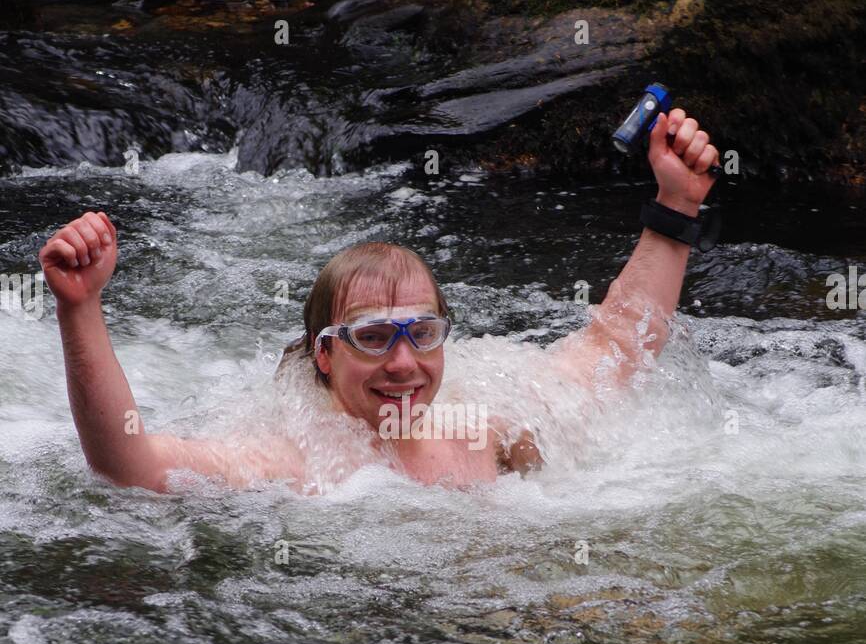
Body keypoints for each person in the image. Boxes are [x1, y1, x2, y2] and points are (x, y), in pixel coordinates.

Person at [38, 108, 719, 493]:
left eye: (421, 334)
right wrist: (81, 309)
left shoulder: (489, 413)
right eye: (372, 337)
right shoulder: (298, 456)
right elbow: (131, 467)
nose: (403, 363)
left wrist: (676, 207)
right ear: (325, 357)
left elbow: (614, 349)